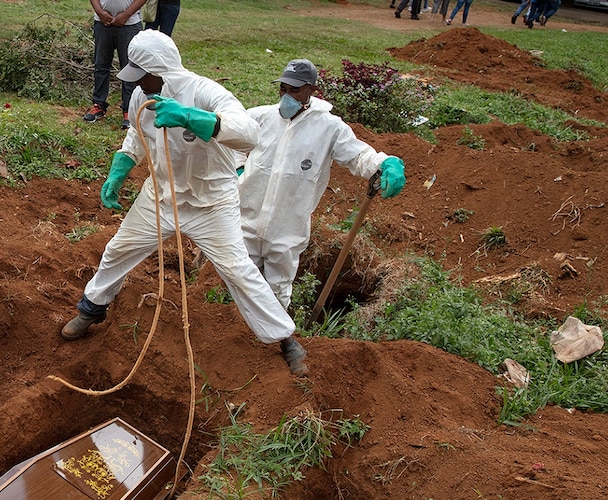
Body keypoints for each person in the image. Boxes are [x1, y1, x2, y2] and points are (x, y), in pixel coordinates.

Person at [62, 30, 309, 377]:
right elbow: (136, 132)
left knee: (238, 270)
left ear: (161, 70)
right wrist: (120, 168)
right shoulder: (140, 95)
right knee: (120, 249)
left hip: (211, 202)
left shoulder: (205, 92)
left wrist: (193, 118)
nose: (139, 84)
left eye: (143, 74)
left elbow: (249, 132)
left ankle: (285, 338)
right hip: (161, 196)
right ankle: (92, 308)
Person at [236, 60, 405, 312]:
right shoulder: (260, 117)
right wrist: (238, 170)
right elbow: (231, 141)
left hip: (286, 228)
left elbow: (358, 156)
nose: (287, 96)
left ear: (311, 90)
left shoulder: (329, 128)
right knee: (238, 284)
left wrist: (383, 163)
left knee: (277, 292)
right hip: (246, 221)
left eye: (294, 90)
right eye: (283, 89)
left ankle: (271, 341)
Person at [84, 0, 147, 130]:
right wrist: (100, 12)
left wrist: (126, 14)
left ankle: (129, 110)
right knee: (100, 66)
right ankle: (98, 105)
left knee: (130, 68)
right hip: (102, 23)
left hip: (130, 24)